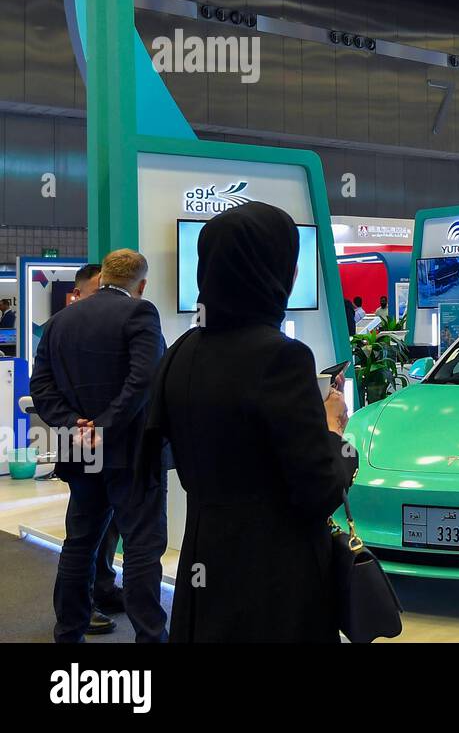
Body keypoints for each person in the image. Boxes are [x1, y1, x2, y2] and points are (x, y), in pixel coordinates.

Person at [137, 202, 357, 642]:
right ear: (275, 271)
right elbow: (318, 490)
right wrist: (333, 429)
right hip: (274, 580)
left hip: (203, 566)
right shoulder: (283, 357)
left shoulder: (180, 352)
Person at [30, 250, 167, 643]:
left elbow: (41, 387)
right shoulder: (141, 314)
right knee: (141, 549)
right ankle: (150, 637)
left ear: (103, 276)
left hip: (80, 451)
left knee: (80, 544)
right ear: (140, 285)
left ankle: (68, 632)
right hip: (132, 454)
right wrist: (104, 426)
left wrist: (76, 425)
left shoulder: (58, 323)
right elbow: (143, 380)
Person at [65, 263, 125, 636]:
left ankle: (103, 588)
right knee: (84, 531)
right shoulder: (65, 331)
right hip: (83, 445)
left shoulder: (118, 329)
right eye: (96, 289)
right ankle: (79, 608)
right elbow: (49, 389)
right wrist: (80, 423)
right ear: (80, 293)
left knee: (112, 525)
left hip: (116, 444)